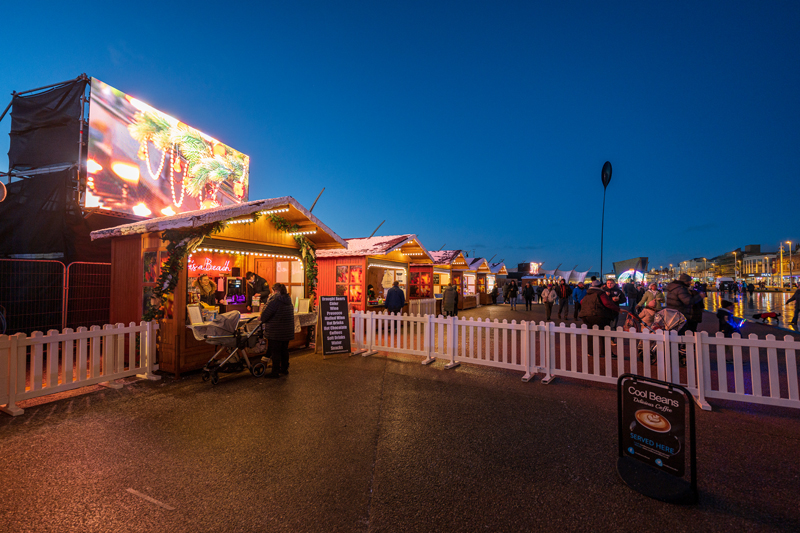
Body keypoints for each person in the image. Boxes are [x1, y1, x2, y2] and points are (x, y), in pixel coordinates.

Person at [261, 283, 295, 378]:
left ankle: (275, 372)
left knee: (275, 352)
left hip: (275, 331)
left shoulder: (274, 301)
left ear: (276, 291)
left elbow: (264, 316)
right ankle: (284, 369)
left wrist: (268, 301)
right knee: (284, 350)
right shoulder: (288, 300)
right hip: (286, 331)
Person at [578, 280, 620, 356]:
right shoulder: (601, 293)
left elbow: (581, 302)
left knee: (590, 333)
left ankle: (590, 352)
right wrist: (617, 309)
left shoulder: (588, 294)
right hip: (598, 316)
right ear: (601, 286)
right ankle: (605, 352)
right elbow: (607, 303)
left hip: (585, 316)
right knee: (604, 333)